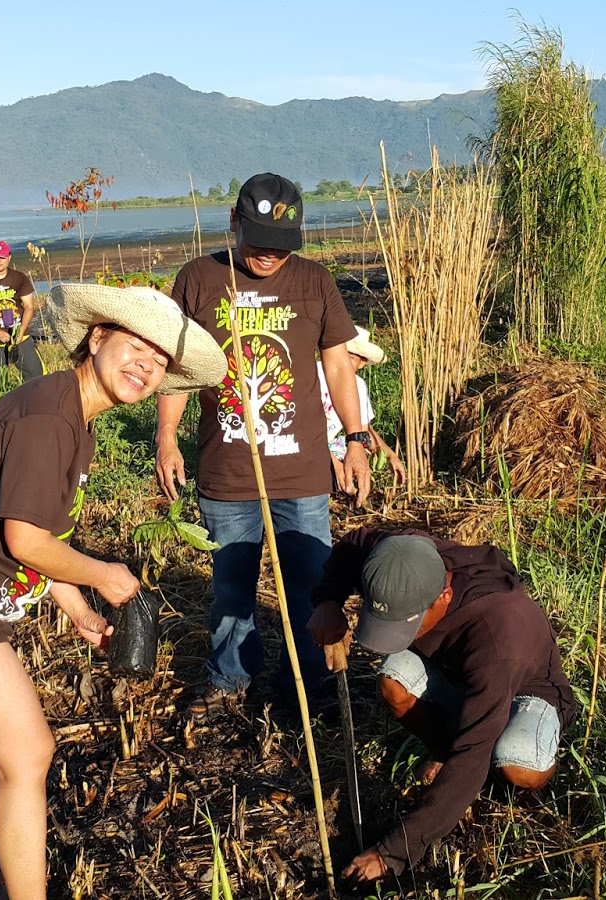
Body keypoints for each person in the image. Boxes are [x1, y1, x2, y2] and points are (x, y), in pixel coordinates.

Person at [0, 282, 225, 900]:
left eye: (160, 361)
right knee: (28, 753)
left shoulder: (69, 412)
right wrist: (104, 575)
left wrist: (78, 608)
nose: (146, 366)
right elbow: (26, 539)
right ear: (98, 336)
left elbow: (39, 537)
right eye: (136, 347)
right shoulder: (51, 420)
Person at [155, 172, 373, 721]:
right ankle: (230, 676)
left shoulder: (314, 281)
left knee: (311, 586)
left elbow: (338, 366)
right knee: (231, 589)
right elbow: (176, 366)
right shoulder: (199, 278)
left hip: (302, 474)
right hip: (227, 472)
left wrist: (356, 439)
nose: (270, 255)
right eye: (259, 242)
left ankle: (310, 681)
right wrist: (166, 437)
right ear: (234, 223)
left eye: (282, 245)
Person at [307, 527, 580, 883]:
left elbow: (472, 754)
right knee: (394, 679)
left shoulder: (499, 640)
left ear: (444, 596)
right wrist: (327, 601)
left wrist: (394, 852)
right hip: (457, 674)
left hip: (525, 696)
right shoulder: (399, 557)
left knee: (517, 765)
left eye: (407, 623)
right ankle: (442, 752)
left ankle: (529, 782)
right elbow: (353, 544)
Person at [318, 326, 406, 490]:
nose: (343, 363)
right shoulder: (314, 374)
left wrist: (390, 456)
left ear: (362, 362)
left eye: (350, 358)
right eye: (341, 355)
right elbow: (303, 429)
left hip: (328, 444)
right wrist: (333, 464)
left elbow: (363, 431)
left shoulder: (358, 386)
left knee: (359, 450)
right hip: (306, 444)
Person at [0, 241, 43, 389]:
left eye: (2, 257)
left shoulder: (19, 278)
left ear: (9, 258)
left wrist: (21, 331)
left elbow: (29, 306)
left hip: (20, 334)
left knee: (37, 375)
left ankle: (35, 400)